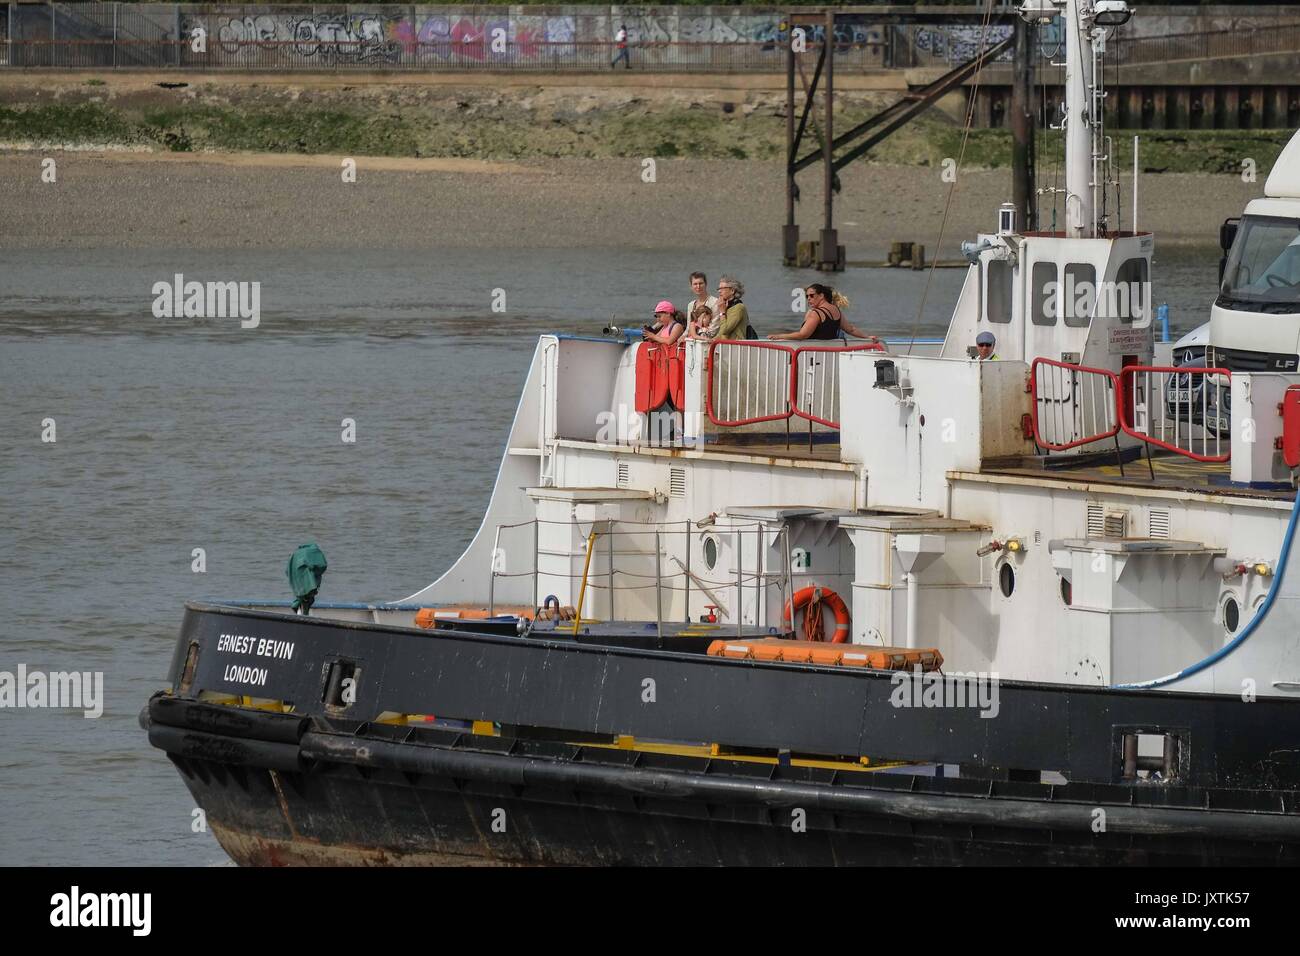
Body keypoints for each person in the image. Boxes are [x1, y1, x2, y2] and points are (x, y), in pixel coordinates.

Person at [769, 284, 880, 343]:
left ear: (821, 296)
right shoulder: (836, 310)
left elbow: (803, 335)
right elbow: (850, 329)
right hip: (829, 353)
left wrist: (779, 336)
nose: (808, 299)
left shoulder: (815, 313)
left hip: (812, 353)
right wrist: (867, 337)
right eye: (807, 296)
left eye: (812, 295)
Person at [714, 275, 753, 340]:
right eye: (719, 289)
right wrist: (712, 339)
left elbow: (725, 330)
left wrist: (722, 312)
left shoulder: (739, 307)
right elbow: (721, 333)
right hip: (725, 346)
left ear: (732, 291)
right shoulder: (725, 306)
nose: (719, 291)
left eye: (722, 288)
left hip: (736, 347)